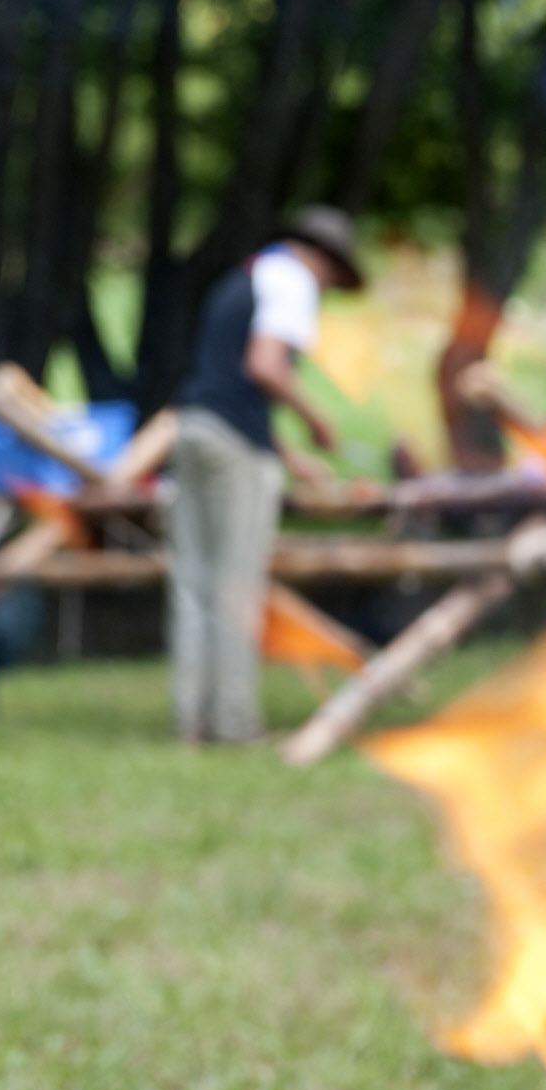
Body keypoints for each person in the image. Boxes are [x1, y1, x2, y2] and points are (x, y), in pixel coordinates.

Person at [169, 205, 364, 744]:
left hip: (192, 431)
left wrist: (293, 457)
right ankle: (234, 725)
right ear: (322, 260)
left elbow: (229, 385)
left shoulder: (244, 279)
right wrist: (316, 418)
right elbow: (264, 366)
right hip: (233, 448)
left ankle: (191, 721)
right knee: (236, 586)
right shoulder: (293, 282)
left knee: (193, 586)